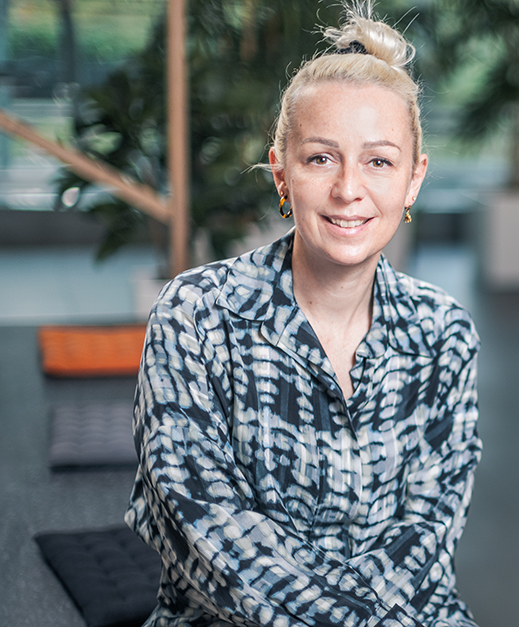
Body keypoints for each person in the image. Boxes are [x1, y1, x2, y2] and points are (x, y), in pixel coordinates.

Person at [126, 4, 480, 626]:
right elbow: (211, 539)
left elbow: (429, 534)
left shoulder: (443, 333)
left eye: (379, 161)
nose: (349, 189)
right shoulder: (195, 317)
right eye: (321, 158)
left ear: (414, 179)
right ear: (281, 173)